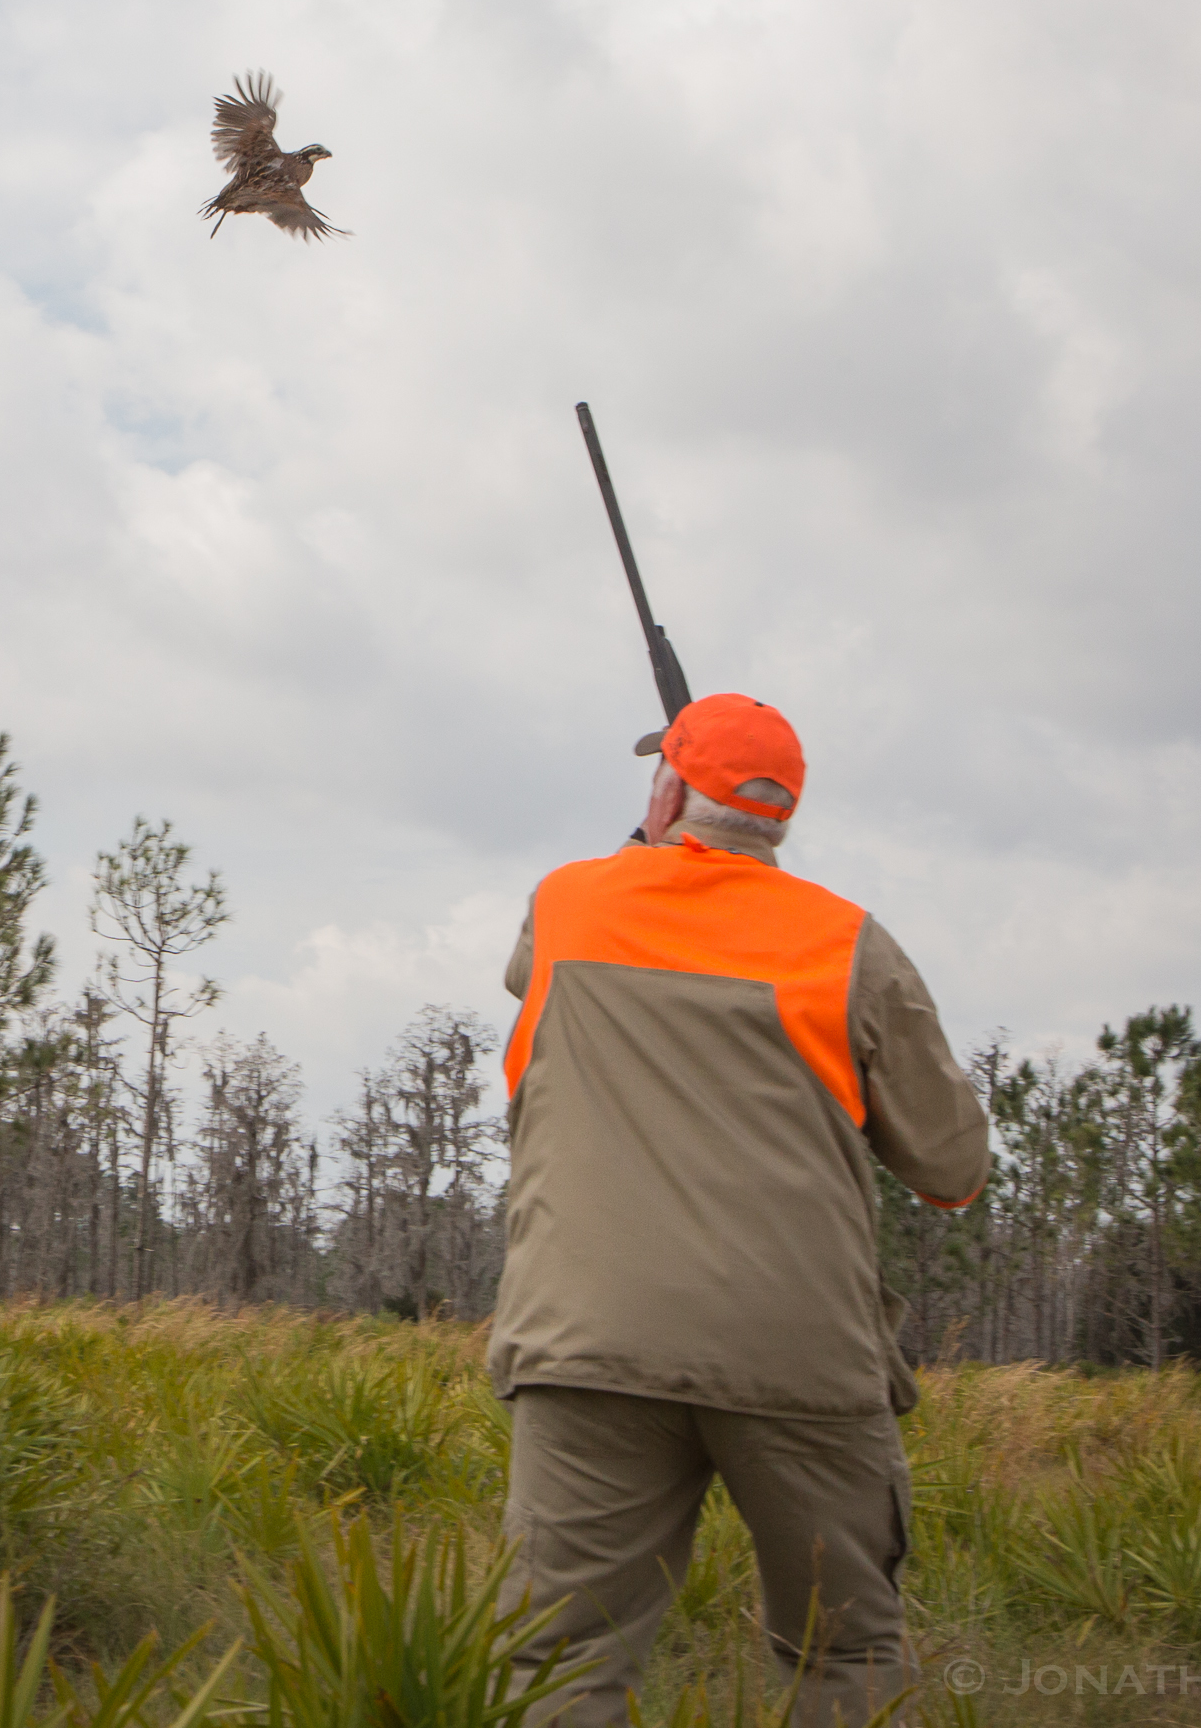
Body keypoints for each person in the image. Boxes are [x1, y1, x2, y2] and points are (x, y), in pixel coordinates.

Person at [489, 692, 989, 1727]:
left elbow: (525, 967)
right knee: (842, 1652)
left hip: (590, 1345)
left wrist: (650, 835)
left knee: (559, 1659)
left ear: (665, 788)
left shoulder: (568, 906)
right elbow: (950, 1168)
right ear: (782, 814)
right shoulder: (850, 943)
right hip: (799, 1357)